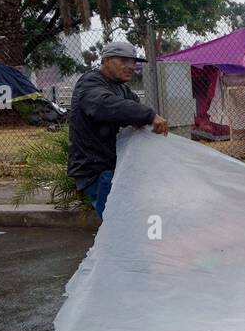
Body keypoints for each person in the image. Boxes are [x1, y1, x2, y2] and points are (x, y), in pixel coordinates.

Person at [67, 40, 169, 219]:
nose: (130, 66)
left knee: (126, 228)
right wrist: (148, 115)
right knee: (120, 227)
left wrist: (144, 122)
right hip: (98, 172)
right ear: (106, 60)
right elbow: (105, 105)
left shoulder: (121, 88)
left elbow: (131, 108)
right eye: (123, 60)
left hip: (115, 170)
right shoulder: (90, 83)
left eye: (133, 62)